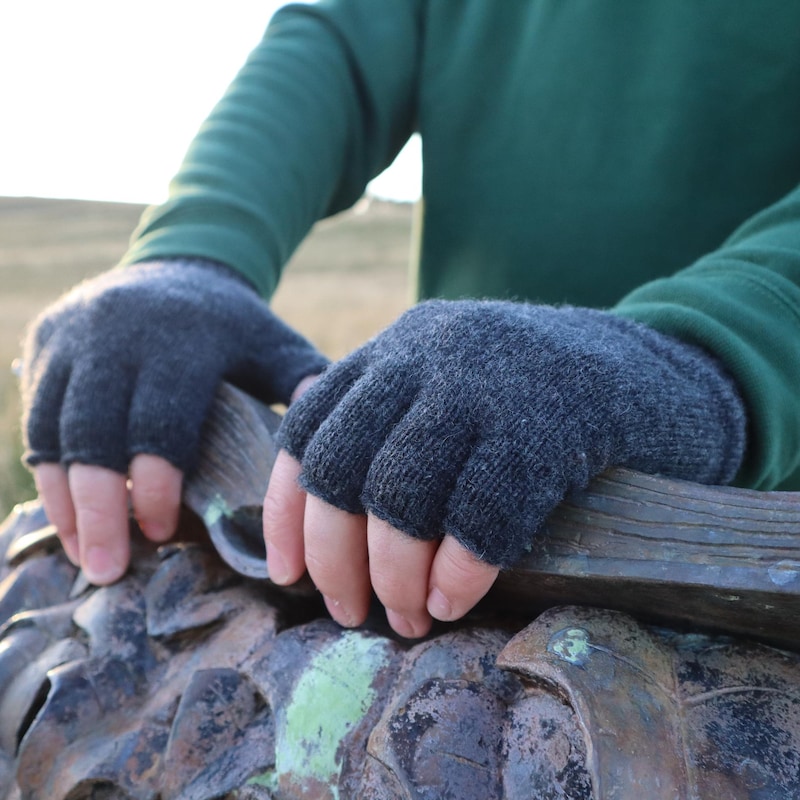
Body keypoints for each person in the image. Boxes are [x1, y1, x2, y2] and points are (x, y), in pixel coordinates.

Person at [21, 0, 800, 640]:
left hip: (760, 558)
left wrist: (697, 358)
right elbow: (342, 44)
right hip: (442, 543)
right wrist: (193, 256)